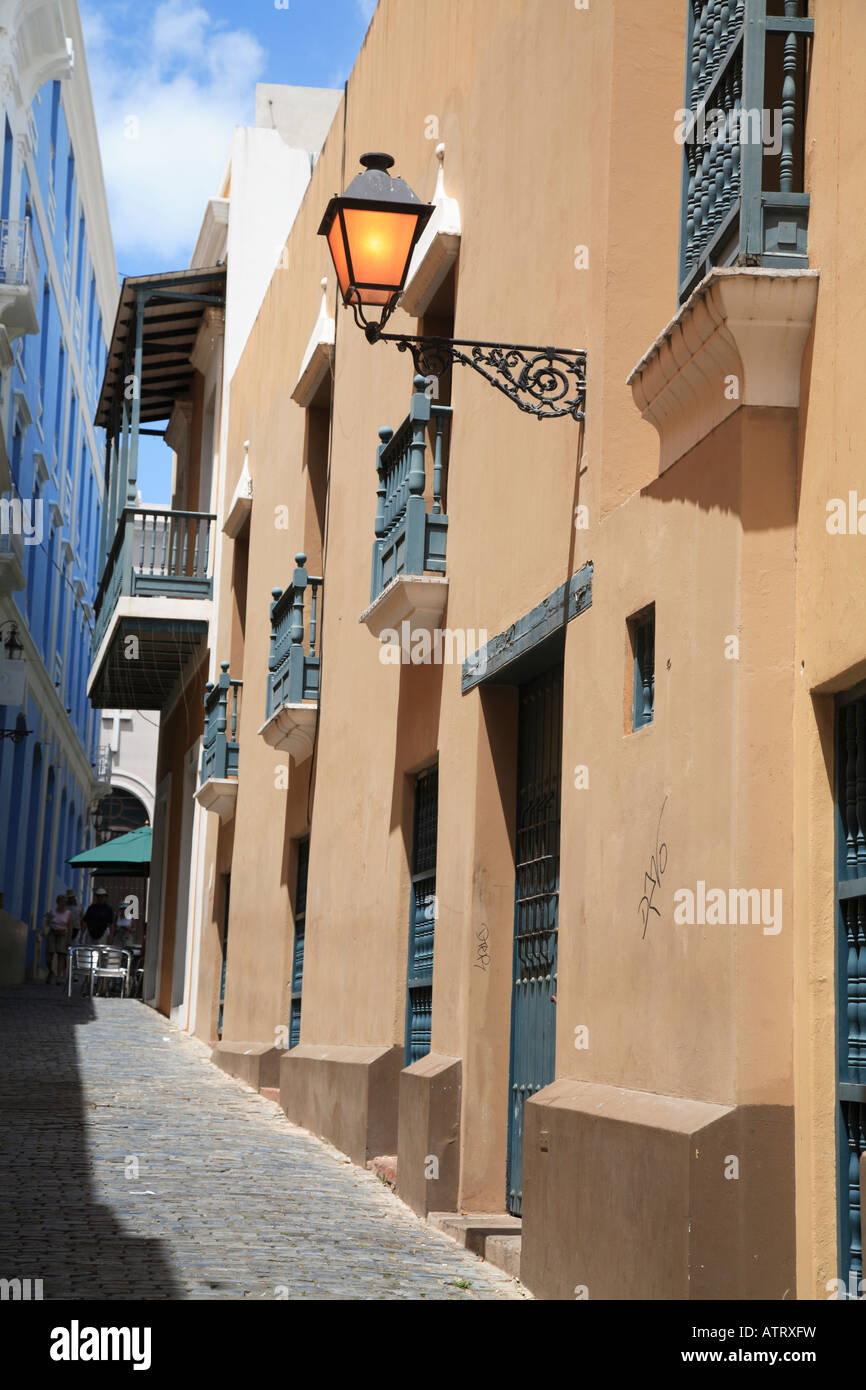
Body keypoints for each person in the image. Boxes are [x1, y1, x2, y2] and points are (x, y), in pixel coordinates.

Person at [43, 893, 72, 985]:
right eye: (61, 902)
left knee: (61, 956)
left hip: (63, 934)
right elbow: (46, 922)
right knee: (49, 957)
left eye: (64, 902)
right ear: (57, 902)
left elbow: (70, 926)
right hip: (52, 933)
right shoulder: (52, 912)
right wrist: (45, 932)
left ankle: (58, 977)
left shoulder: (68, 914)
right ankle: (51, 971)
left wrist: (69, 939)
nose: (62, 904)